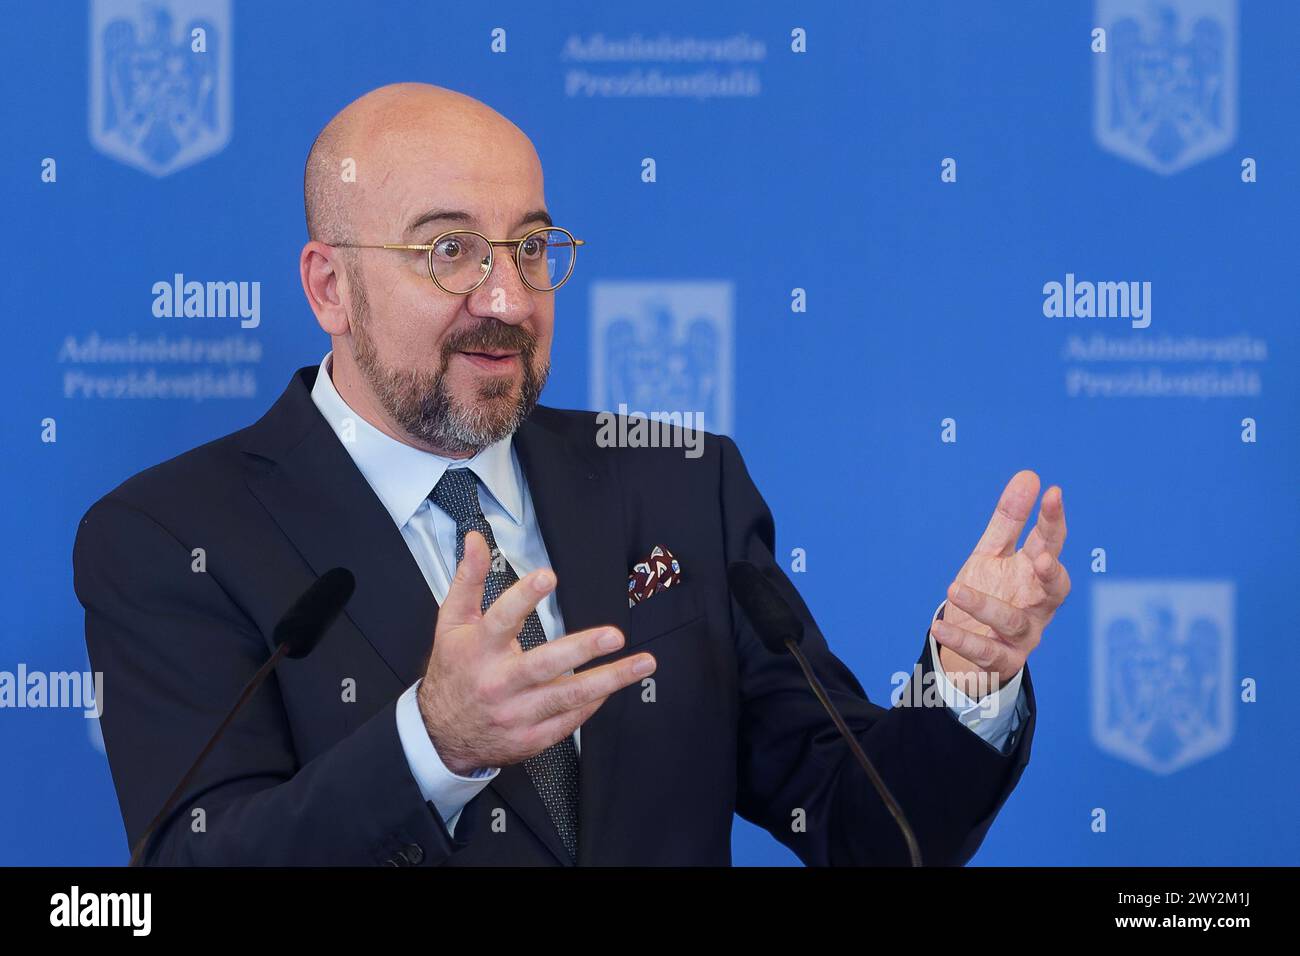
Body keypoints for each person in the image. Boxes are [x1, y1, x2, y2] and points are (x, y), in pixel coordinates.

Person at [73, 83, 1070, 866]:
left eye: (531, 245)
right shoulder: (172, 533)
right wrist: (433, 743)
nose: (504, 294)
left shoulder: (681, 482)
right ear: (330, 285)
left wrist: (971, 675)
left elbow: (865, 828)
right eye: (448, 249)